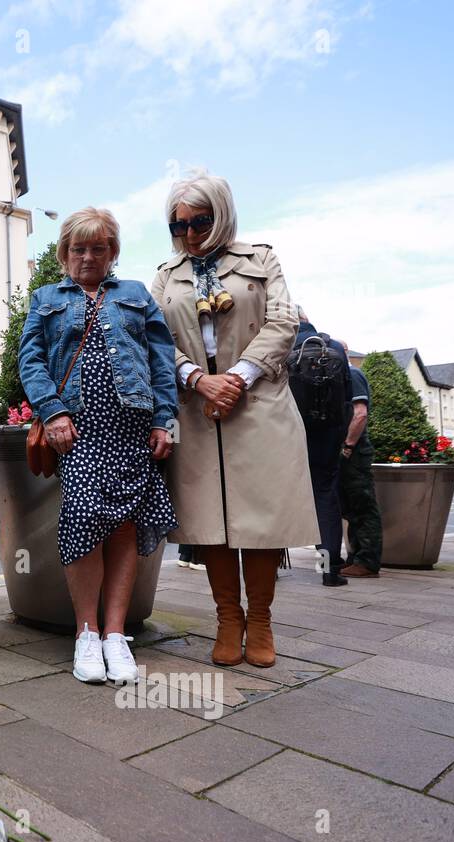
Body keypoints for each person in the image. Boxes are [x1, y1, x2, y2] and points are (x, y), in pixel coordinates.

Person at [152, 171, 320, 668]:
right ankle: (228, 618)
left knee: (262, 517)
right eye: (178, 225)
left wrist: (239, 378)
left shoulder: (261, 259)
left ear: (221, 214)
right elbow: (157, 337)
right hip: (197, 404)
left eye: (199, 221)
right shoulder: (166, 274)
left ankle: (262, 620)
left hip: (259, 401)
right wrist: (199, 380)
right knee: (210, 518)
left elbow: (284, 319)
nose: (189, 233)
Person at [20, 207, 178, 684]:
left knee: (126, 526)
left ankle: (115, 634)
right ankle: (86, 634)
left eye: (98, 247)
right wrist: (53, 411)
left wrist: (163, 419)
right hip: (79, 429)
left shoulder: (134, 295)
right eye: (78, 248)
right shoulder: (46, 297)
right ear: (64, 253)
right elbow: (31, 360)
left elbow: (161, 359)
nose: (88, 256)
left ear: (112, 252)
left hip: (131, 427)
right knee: (85, 519)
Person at [292, 311, 352, 587]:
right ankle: (329, 570)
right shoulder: (335, 348)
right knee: (325, 497)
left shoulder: (283, 347)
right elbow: (348, 399)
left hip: (291, 433)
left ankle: (269, 569)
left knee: (277, 496)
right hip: (328, 434)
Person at [337, 346, 383, 577]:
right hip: (351, 450)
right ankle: (356, 558)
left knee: (362, 505)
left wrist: (347, 447)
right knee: (352, 508)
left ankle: (367, 561)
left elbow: (360, 414)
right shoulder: (345, 375)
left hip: (354, 451)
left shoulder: (352, 375)